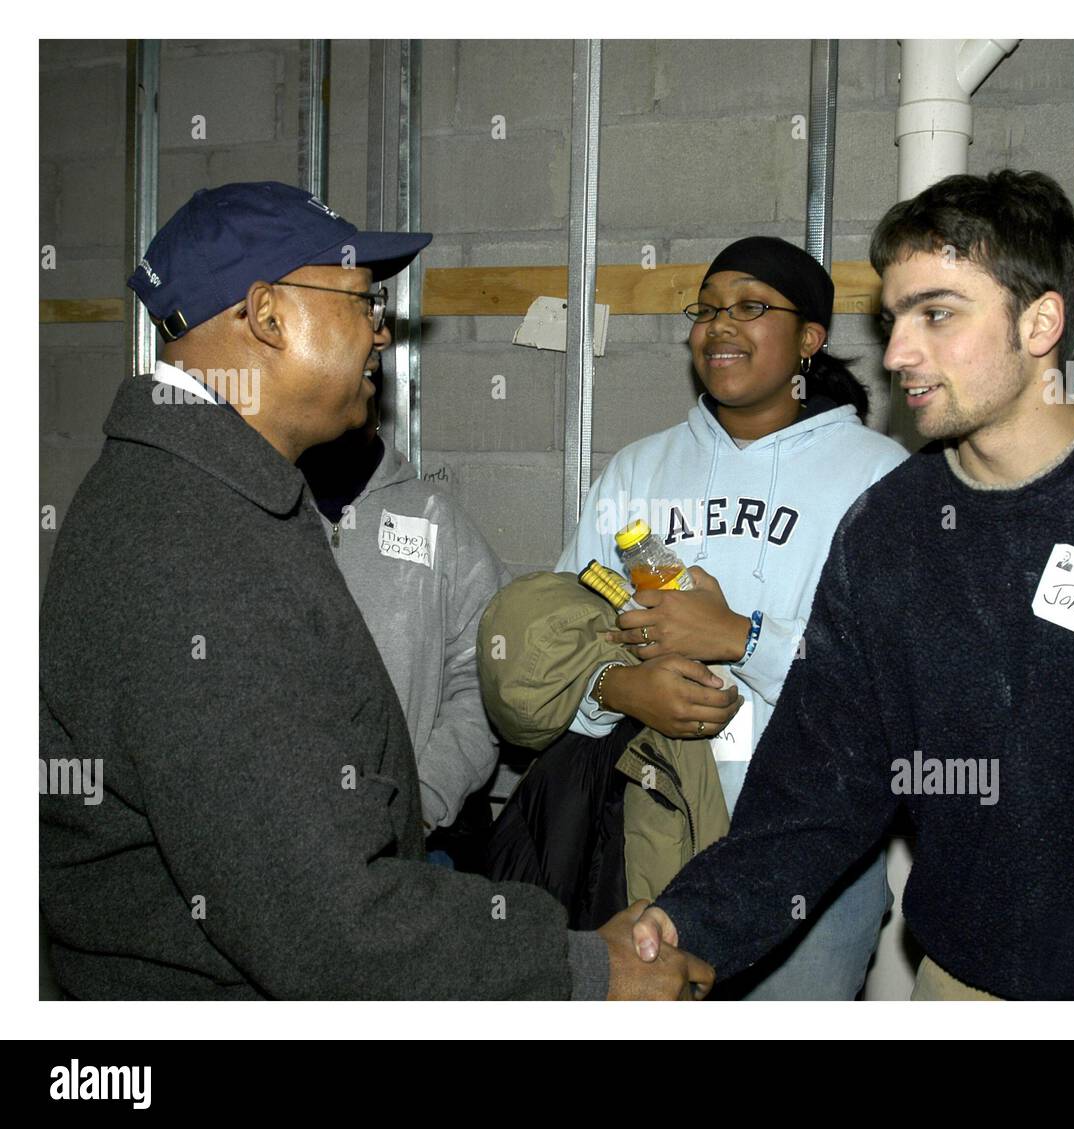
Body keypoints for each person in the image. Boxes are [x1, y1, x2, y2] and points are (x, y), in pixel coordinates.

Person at [39, 180, 711, 1001]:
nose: (382, 332)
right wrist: (581, 967)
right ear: (267, 315)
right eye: (364, 301)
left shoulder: (208, 495)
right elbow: (326, 923)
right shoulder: (192, 547)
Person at [627, 170, 1074, 1000]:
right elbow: (819, 783)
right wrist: (691, 920)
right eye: (894, 320)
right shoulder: (889, 529)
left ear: (1040, 323)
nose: (896, 353)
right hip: (961, 985)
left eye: (938, 314)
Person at [555, 236, 909, 999]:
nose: (720, 325)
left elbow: (898, 690)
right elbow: (557, 643)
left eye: (750, 307)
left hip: (811, 861)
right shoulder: (639, 469)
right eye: (707, 308)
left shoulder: (881, 482)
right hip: (647, 834)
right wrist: (620, 688)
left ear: (810, 339)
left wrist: (740, 637)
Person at [298, 361, 507, 868]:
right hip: (284, 841)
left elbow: (482, 682)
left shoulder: (436, 519)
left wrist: (420, 799)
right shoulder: (256, 515)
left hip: (416, 844)